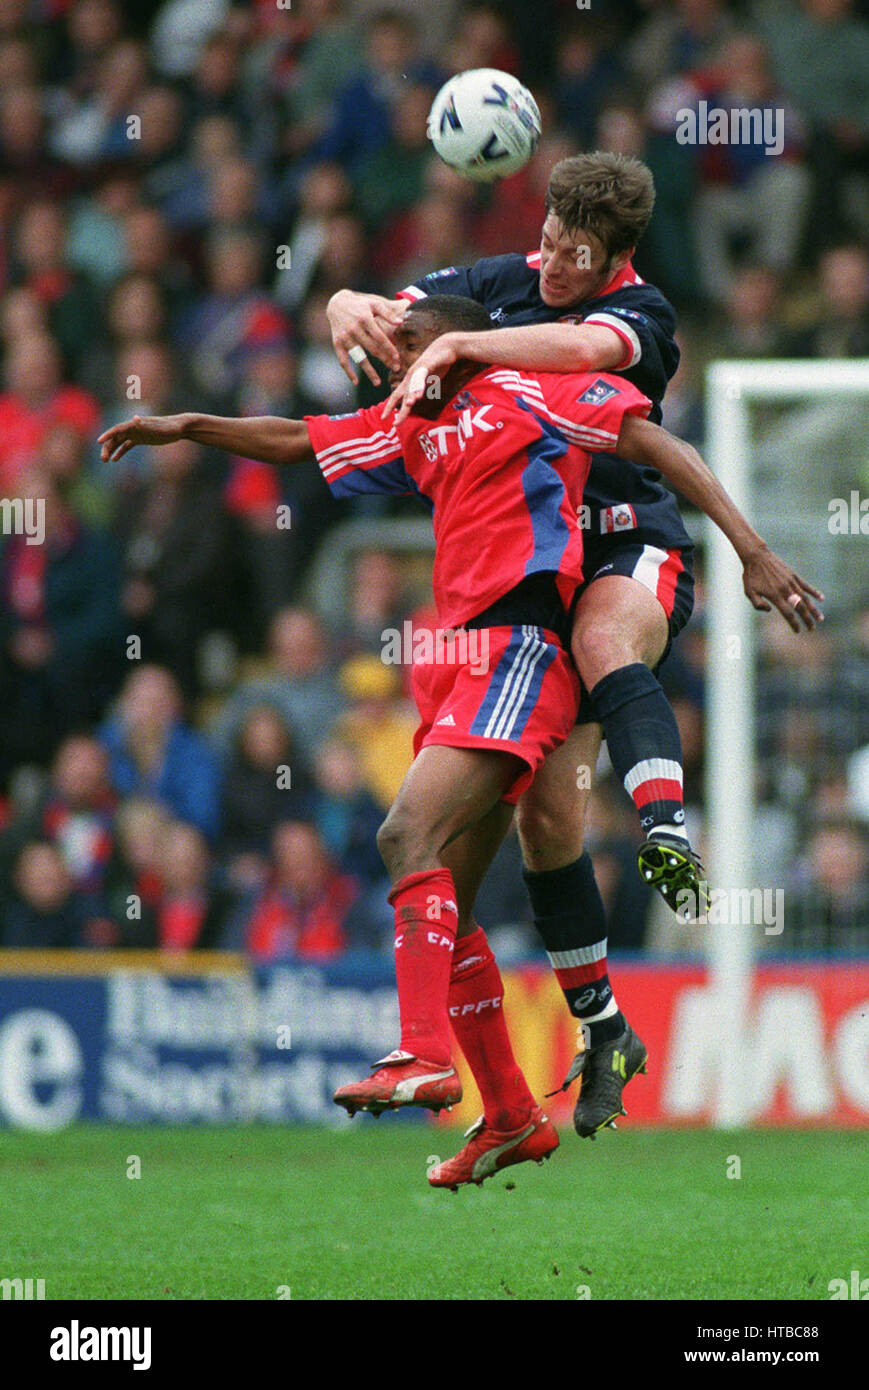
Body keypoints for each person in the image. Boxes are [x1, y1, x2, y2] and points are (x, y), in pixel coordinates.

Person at [99, 294, 819, 1187]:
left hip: (520, 652)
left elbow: (657, 445)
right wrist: (190, 426)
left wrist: (747, 547)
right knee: (448, 906)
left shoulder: (526, 390)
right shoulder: (411, 425)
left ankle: (423, 1056)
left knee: (405, 835)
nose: (388, 356)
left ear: (449, 341)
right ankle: (513, 1115)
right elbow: (298, 439)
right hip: (455, 666)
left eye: (403, 342)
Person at [326, 152, 823, 1137]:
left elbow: (603, 374)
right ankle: (602, 1029)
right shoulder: (501, 280)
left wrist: (752, 552)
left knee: (605, 640)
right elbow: (399, 317)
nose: (549, 264)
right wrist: (345, 298)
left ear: (617, 257)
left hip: (628, 544)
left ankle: (665, 828)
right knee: (546, 819)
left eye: (575, 253)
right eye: (547, 240)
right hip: (534, 573)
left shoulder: (641, 318)